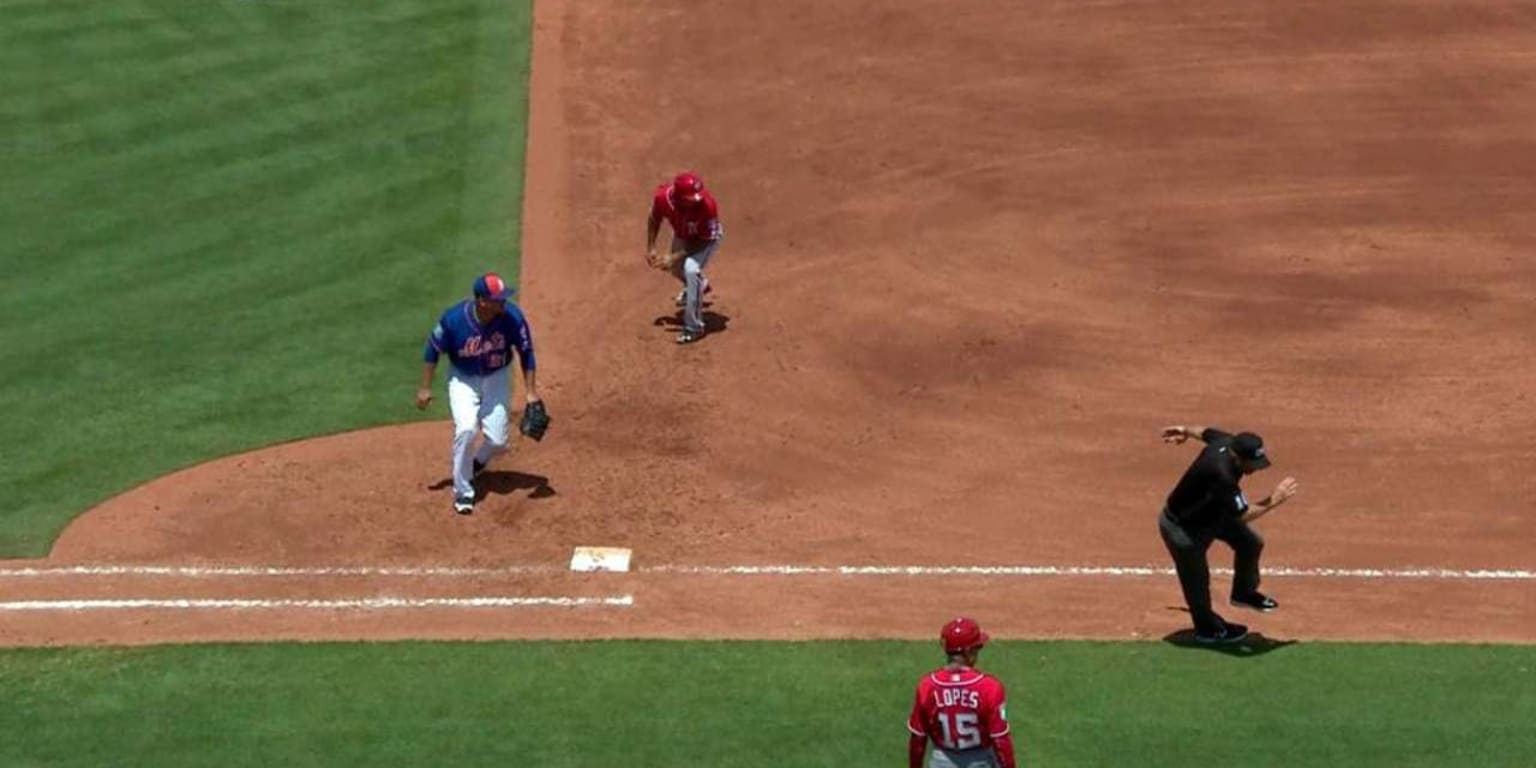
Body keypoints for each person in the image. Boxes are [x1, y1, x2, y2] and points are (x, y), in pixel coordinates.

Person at [1159, 425, 1300, 644]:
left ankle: (1243, 593)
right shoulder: (1221, 474)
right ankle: (1207, 630)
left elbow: (1205, 432)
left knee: (1250, 543)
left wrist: (1185, 430)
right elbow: (1243, 514)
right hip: (1183, 529)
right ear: (1236, 456)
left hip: (1211, 515)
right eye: (1250, 464)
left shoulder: (1227, 442)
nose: (1253, 469)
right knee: (1197, 580)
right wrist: (1275, 499)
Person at [415, 273, 542, 514]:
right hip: (463, 379)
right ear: (482, 301)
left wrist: (531, 393)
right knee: (465, 429)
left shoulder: (512, 318)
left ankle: (475, 464)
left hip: (497, 376)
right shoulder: (454, 320)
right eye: (498, 299)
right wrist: (425, 387)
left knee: (497, 440)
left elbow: (526, 352)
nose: (504, 302)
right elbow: (432, 350)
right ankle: (463, 492)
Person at [906, 617, 1017, 768]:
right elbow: (1000, 740)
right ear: (968, 652)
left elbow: (918, 739)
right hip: (981, 761)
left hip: (941, 761)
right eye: (977, 648)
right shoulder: (989, 687)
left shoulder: (927, 686)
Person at [646, 170, 723, 344]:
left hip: (706, 239)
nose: (697, 200)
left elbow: (704, 240)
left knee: (690, 269)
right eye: (691, 199)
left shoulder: (708, 205)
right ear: (678, 198)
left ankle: (694, 327)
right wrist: (651, 248)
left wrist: (674, 256)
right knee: (675, 270)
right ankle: (700, 285)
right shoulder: (662, 198)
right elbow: (654, 218)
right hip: (684, 235)